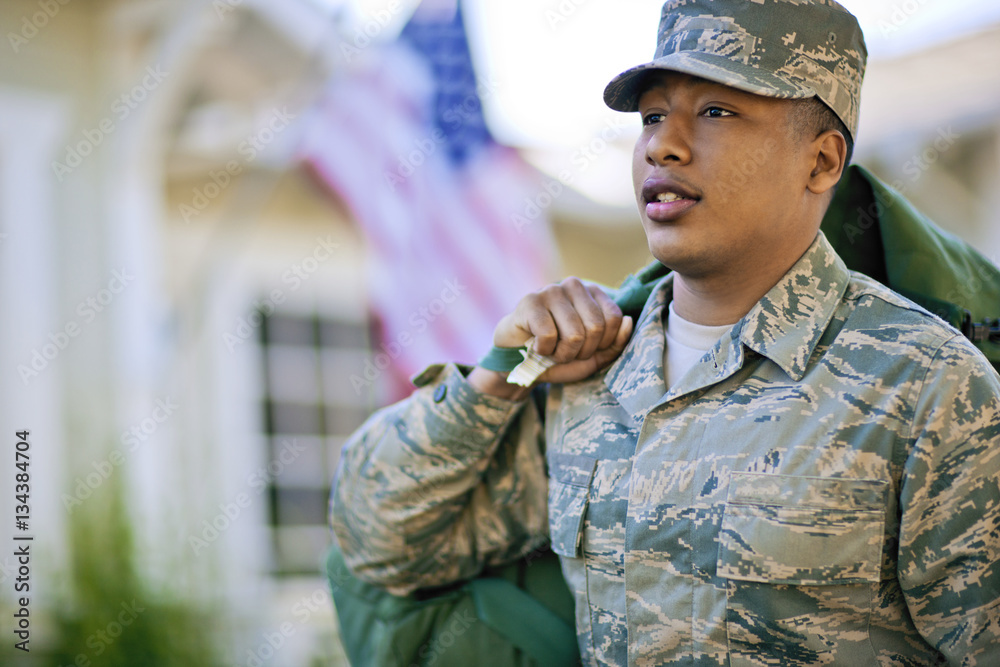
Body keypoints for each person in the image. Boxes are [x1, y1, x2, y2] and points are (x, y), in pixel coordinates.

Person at [330, 0, 1000, 664]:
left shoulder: (925, 385)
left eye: (716, 112)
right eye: (653, 115)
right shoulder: (589, 375)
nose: (662, 143)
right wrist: (500, 373)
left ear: (821, 161)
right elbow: (380, 539)